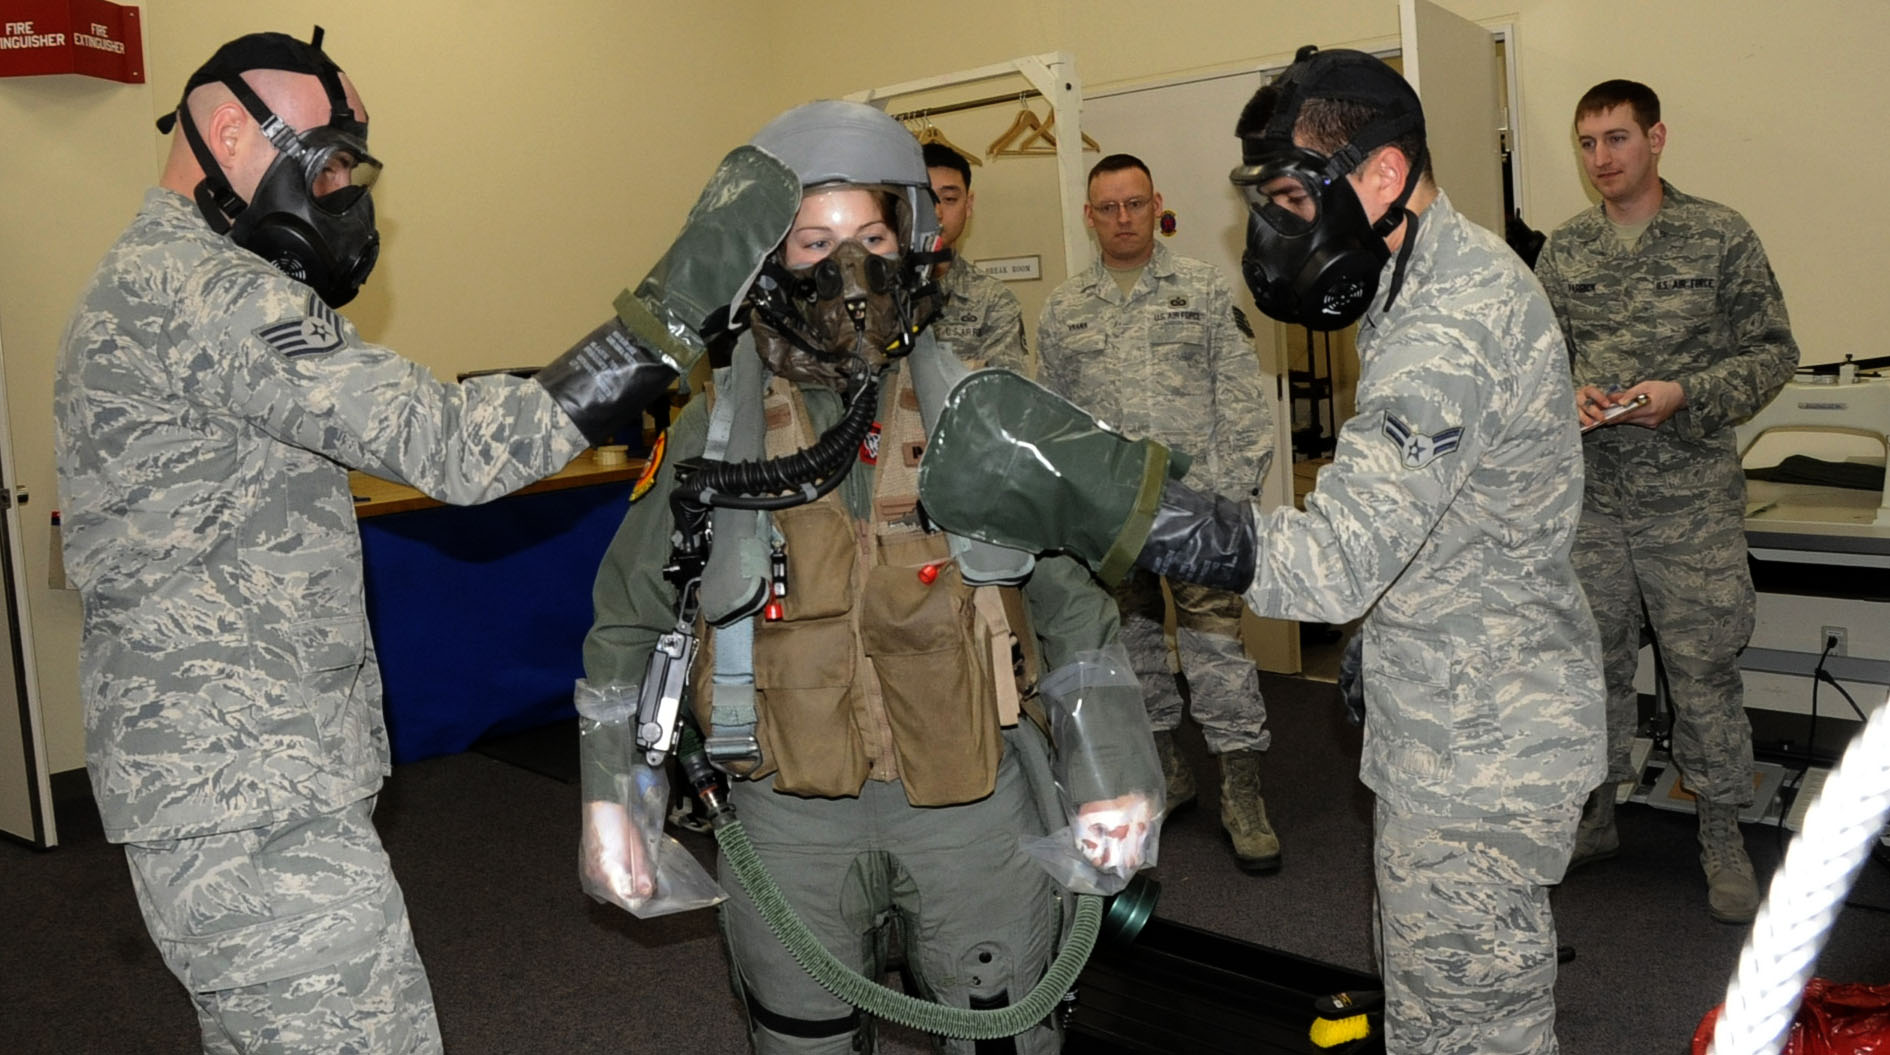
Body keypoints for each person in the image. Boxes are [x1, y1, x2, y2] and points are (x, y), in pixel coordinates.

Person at [53, 29, 783, 1053]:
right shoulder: (204, 291)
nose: (339, 192)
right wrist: (676, 307)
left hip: (233, 784)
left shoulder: (155, 279)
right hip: (253, 803)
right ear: (228, 132)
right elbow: (457, 447)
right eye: (325, 162)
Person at [916, 47, 1606, 1053]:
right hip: (1453, 702)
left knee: (1470, 1025)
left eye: (1292, 197)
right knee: (1427, 995)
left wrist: (1109, 498)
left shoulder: (1451, 321)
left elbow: (1331, 561)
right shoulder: (1418, 280)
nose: (1277, 226)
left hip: (1480, 744)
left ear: (1381, 173)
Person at [577, 100, 1159, 1055]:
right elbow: (630, 621)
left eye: (872, 238)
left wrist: (1112, 772)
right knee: (798, 1035)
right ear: (768, 261)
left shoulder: (983, 415)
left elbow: (1072, 609)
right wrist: (616, 794)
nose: (846, 270)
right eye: (814, 242)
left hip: (972, 799)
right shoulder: (712, 432)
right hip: (784, 809)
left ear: (912, 244)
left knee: (1003, 1031)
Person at [1534, 79, 1798, 924]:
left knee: (1703, 671)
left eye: (1616, 138)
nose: (1600, 158)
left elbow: (1773, 352)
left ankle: (1722, 834)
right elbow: (1537, 363)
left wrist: (1687, 393)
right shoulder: (1564, 251)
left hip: (1690, 503)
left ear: (1656, 138)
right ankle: (1597, 812)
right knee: (1589, 665)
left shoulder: (1719, 234)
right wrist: (1568, 395)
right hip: (1592, 502)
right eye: (1587, 143)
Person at [1034, 153, 1278, 873]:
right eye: (1108, 208)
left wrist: (1229, 500)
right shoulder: (1064, 309)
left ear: (1156, 204)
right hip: (1111, 519)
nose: (1123, 219)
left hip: (1196, 512)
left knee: (1218, 656)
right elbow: (1056, 423)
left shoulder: (1201, 288)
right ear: (1089, 216)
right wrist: (1072, 510)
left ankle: (1242, 791)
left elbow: (1244, 402)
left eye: (1135, 204)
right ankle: (1167, 768)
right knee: (1134, 653)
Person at [923, 141, 1029, 373]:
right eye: (925, 200)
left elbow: (1000, 388)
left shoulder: (993, 300)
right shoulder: (877, 291)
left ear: (968, 205)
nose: (937, 212)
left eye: (949, 199)